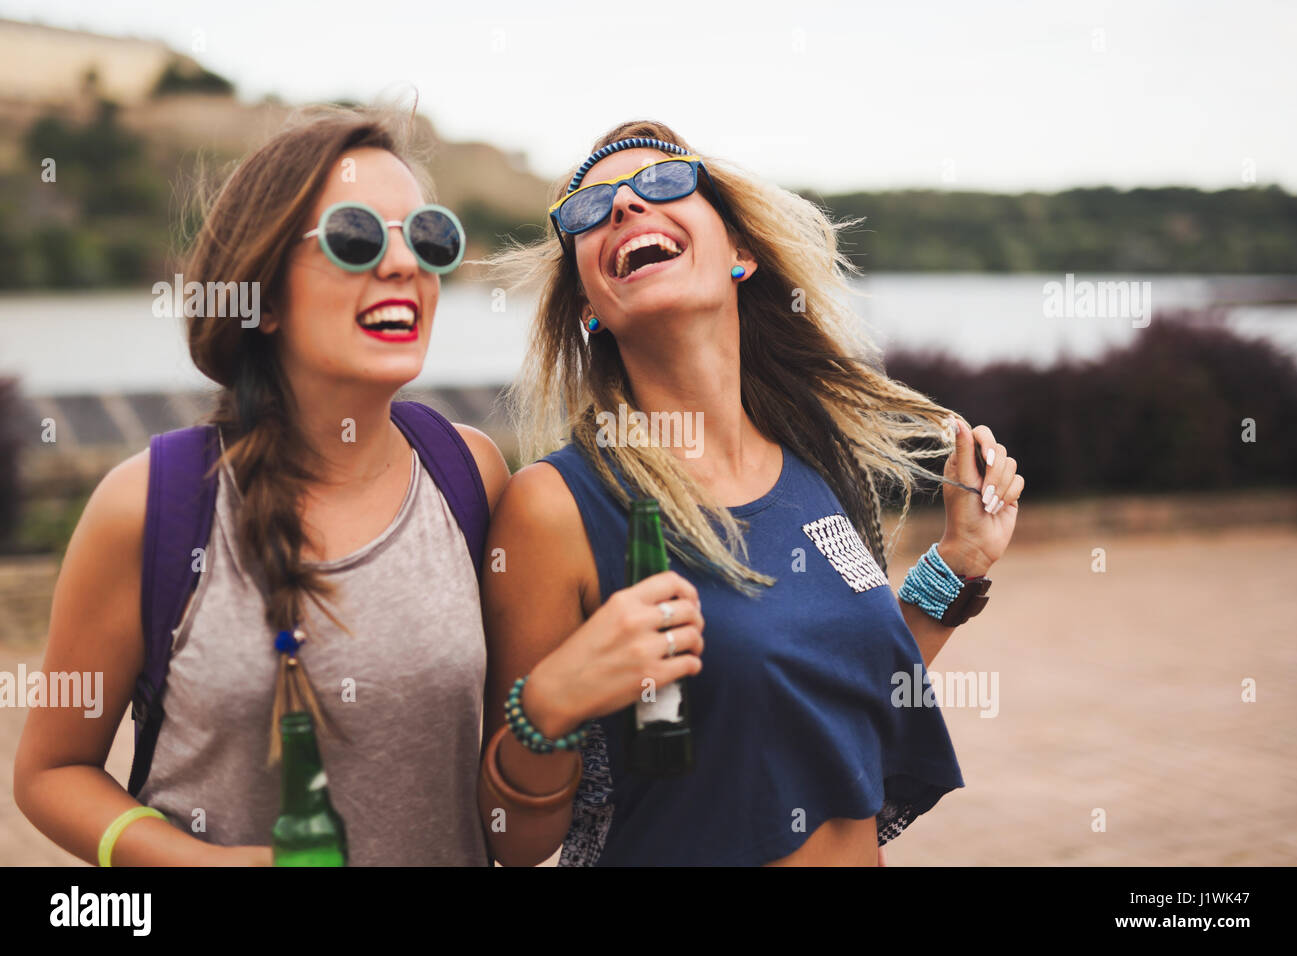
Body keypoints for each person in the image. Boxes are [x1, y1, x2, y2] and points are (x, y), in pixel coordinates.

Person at [477, 121, 1023, 866]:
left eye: (665, 183)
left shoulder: (813, 462)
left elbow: (846, 691)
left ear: (741, 253)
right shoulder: (557, 506)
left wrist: (957, 562)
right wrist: (548, 707)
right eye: (589, 209)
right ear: (588, 307)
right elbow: (512, 839)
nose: (627, 209)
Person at [13, 107, 508, 866]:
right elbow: (49, 772)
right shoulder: (148, 506)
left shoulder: (469, 476)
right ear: (263, 296)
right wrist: (194, 863)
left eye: (430, 238)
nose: (406, 265)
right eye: (355, 237)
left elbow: (510, 786)